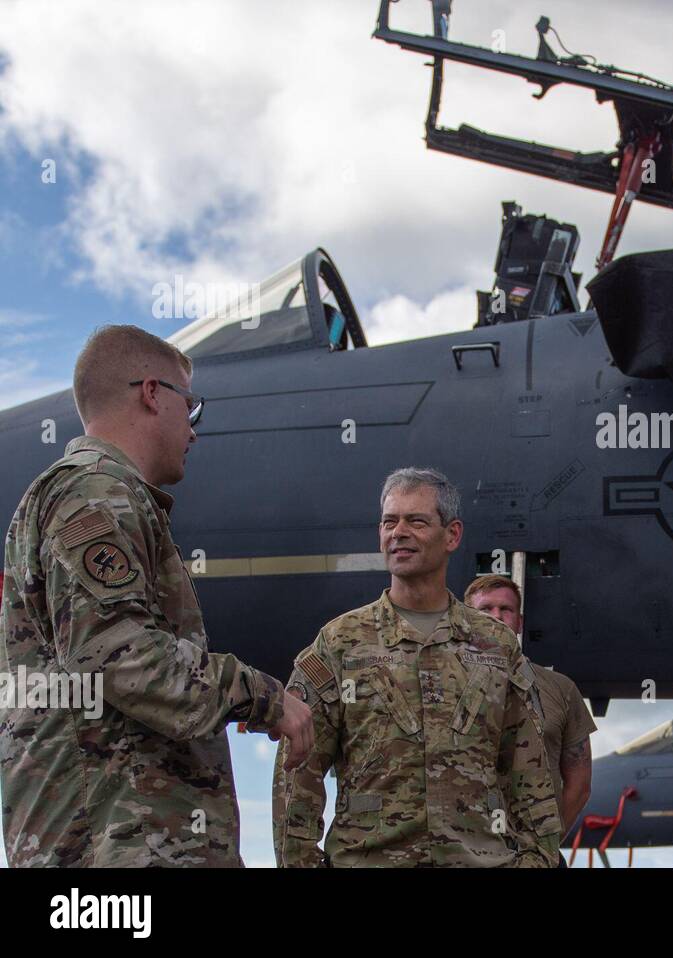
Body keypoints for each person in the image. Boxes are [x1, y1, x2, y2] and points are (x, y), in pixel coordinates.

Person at [0, 324, 311, 867]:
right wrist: (261, 696)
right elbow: (116, 656)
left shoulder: (89, 494)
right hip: (120, 846)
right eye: (190, 407)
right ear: (152, 393)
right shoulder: (96, 491)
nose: (193, 432)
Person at [272, 467, 561, 866]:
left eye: (416, 521)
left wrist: (536, 861)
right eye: (390, 521)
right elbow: (297, 770)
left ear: (452, 535)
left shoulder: (495, 646)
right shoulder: (340, 643)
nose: (399, 532)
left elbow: (529, 774)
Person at [464, 574, 597, 834]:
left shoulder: (561, 689)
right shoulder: (437, 683)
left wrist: (546, 848)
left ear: (519, 622)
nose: (496, 616)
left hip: (534, 853)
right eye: (485, 609)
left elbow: (579, 785)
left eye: (506, 609)